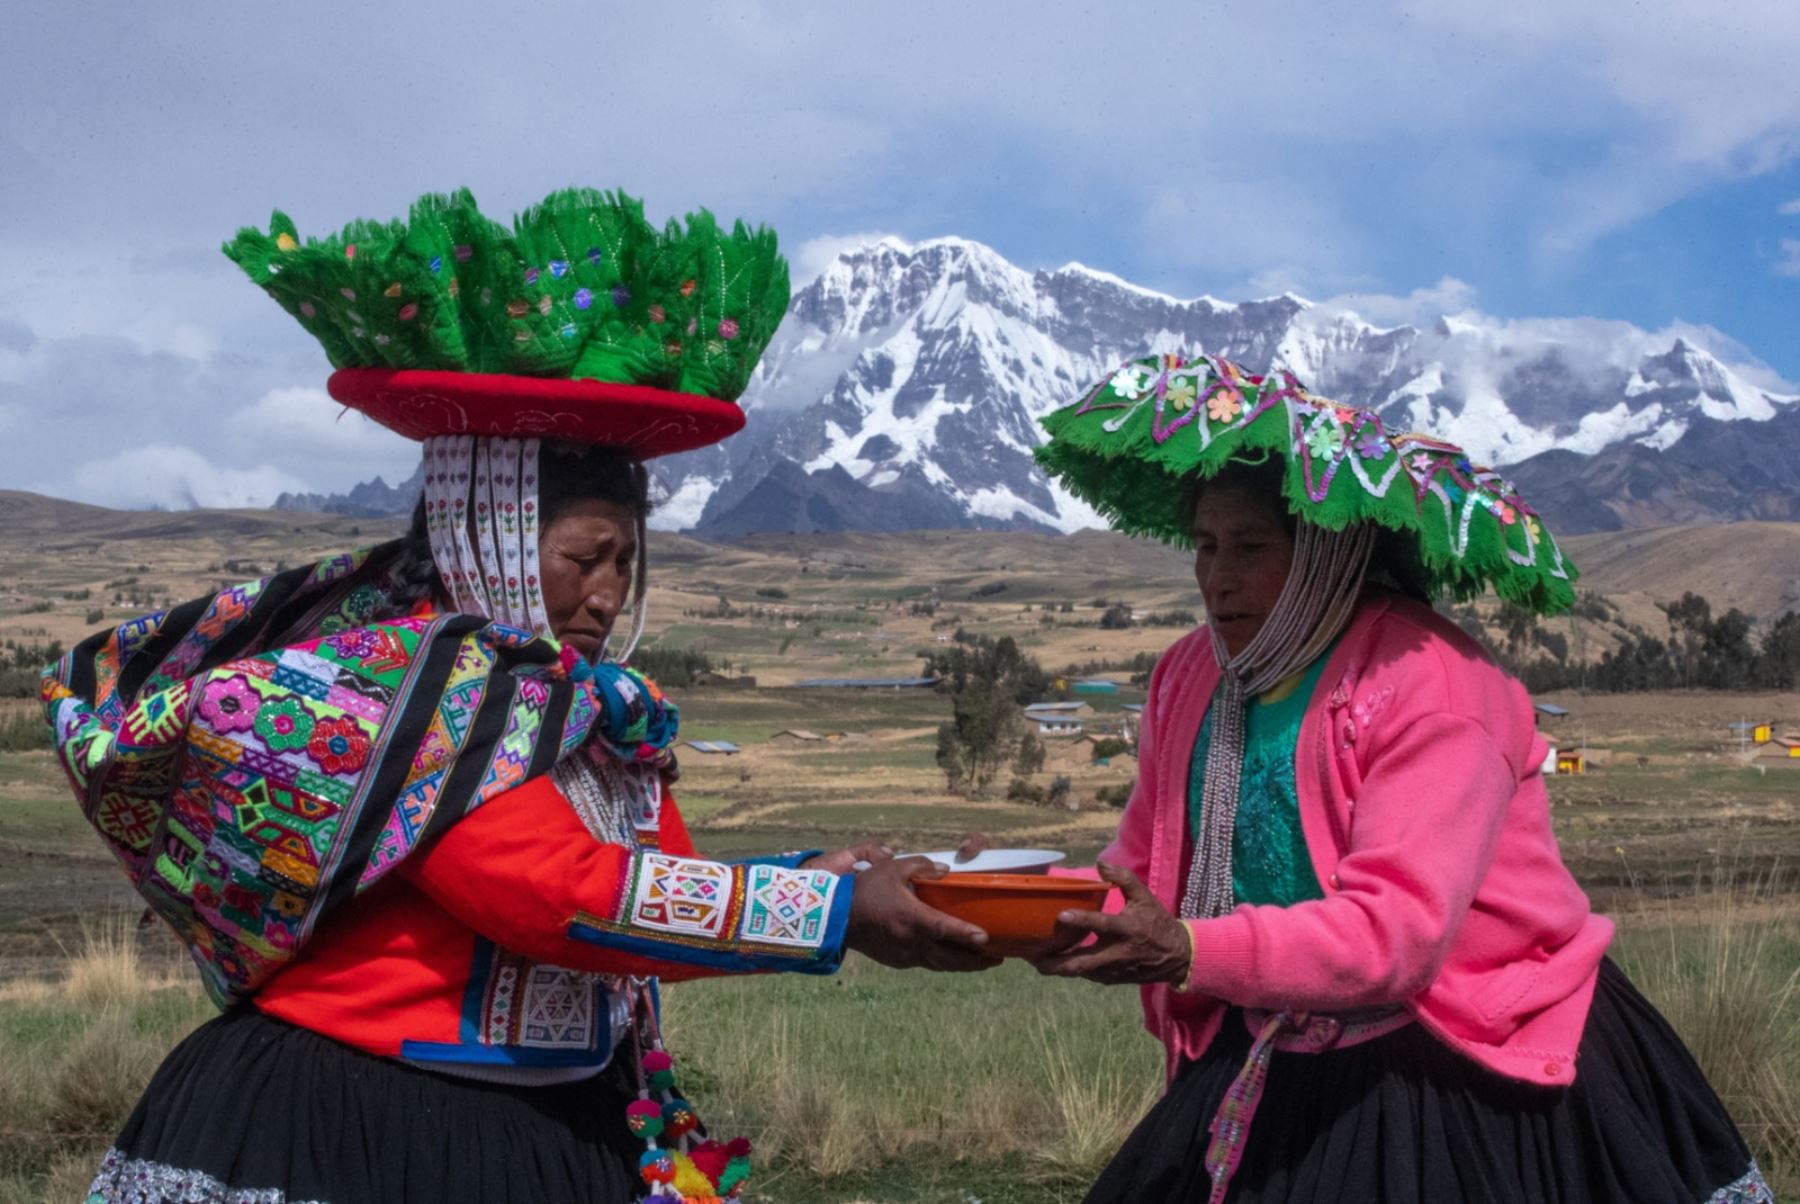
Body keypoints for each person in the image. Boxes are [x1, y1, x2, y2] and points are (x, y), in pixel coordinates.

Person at [44, 188, 991, 1204]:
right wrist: (831, 913)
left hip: (542, 1119)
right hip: (362, 1125)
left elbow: (653, 886)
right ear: (488, 536)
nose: (609, 594)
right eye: (585, 558)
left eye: (626, 561)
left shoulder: (586, 710)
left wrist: (812, 872)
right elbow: (557, 896)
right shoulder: (417, 697)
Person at [1027, 353, 1770, 1203]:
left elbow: (1395, 938)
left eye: (1251, 546)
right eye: (1205, 545)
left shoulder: (1430, 683)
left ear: (1326, 549)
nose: (1217, 577)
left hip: (1456, 1060)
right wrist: (991, 905)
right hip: (1275, 1033)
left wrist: (1192, 950)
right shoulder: (1193, 678)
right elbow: (1142, 880)